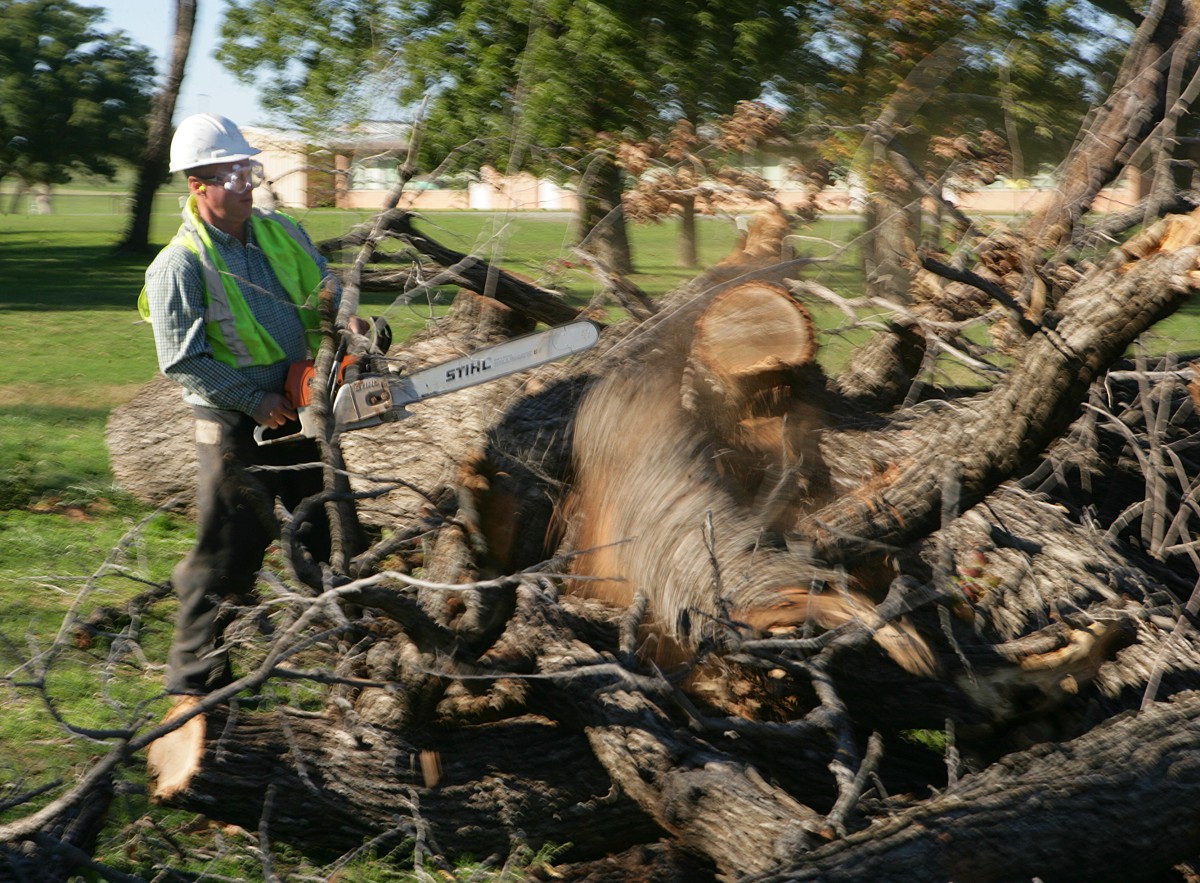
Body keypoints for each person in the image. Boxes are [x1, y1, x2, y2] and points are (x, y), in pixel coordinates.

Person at [140, 115, 366, 775]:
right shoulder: (179, 264)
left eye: (249, 171)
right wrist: (255, 400)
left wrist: (343, 315)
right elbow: (183, 362)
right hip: (233, 424)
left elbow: (326, 283)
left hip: (300, 407)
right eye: (234, 175)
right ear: (200, 183)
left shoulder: (277, 231)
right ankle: (194, 685)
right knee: (224, 554)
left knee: (329, 530)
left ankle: (362, 659)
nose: (247, 184)